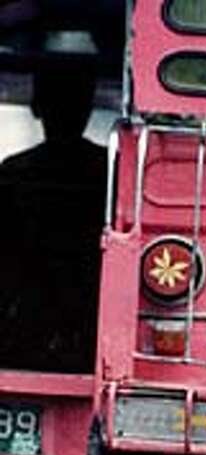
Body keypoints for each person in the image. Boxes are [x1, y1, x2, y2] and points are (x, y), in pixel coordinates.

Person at [0, 64, 106, 372]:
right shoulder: (110, 170)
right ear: (87, 106)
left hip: (26, 310)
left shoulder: (14, 170)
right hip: (87, 307)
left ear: (36, 106)